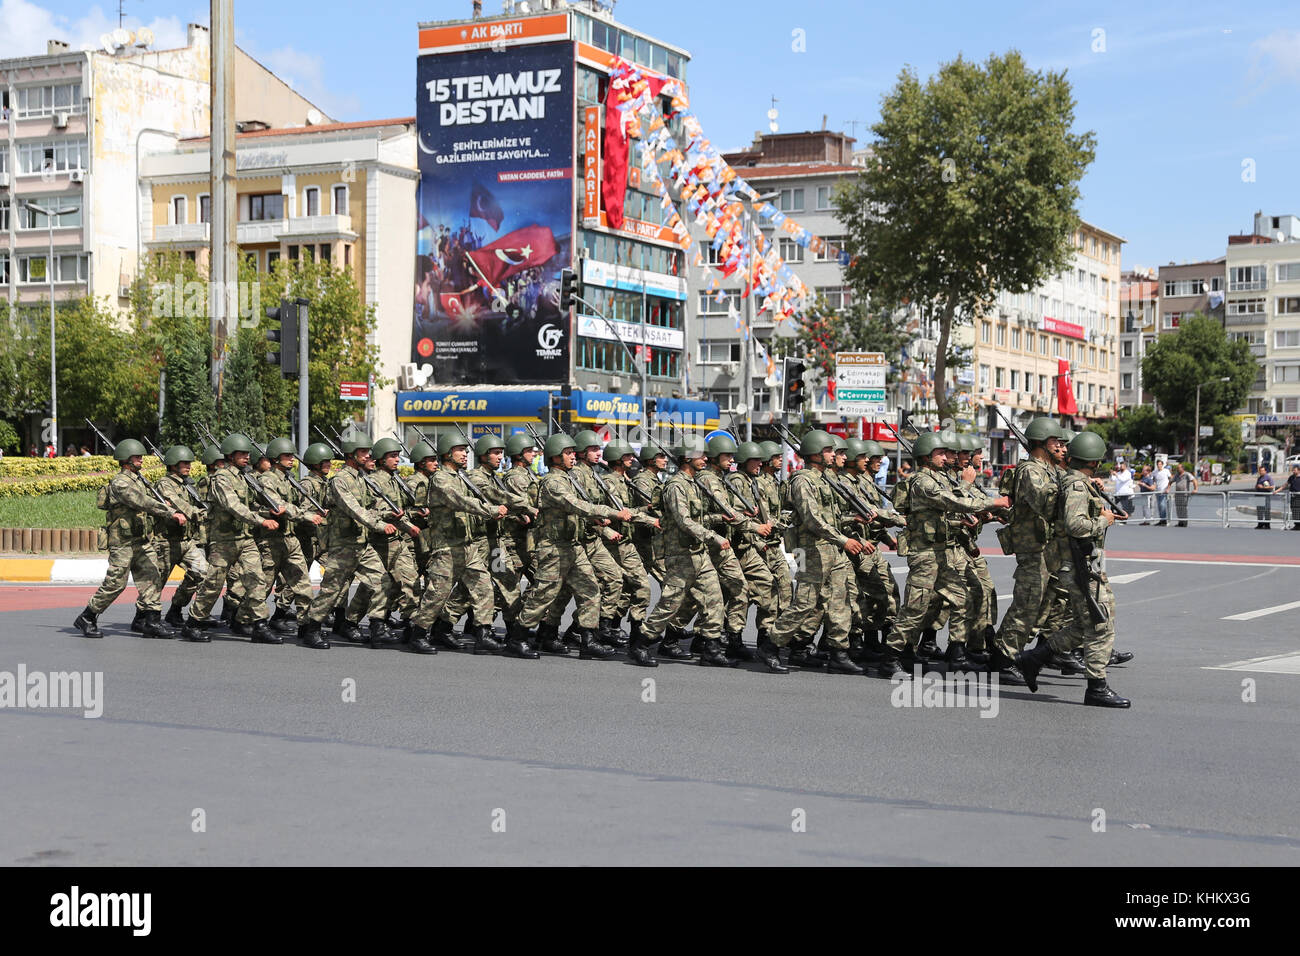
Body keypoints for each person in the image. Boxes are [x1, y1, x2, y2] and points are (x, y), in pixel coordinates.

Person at [1016, 431, 1130, 708]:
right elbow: (1076, 525)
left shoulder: (1075, 482)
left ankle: (1033, 659)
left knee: (1084, 624)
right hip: (1079, 564)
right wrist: (1104, 521)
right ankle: (1097, 687)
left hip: (1083, 562)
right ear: (1095, 460)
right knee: (1100, 623)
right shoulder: (1077, 486)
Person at [74, 439, 188, 639]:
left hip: (141, 540)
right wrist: (170, 512)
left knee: (153, 576)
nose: (141, 460)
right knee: (116, 584)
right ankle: (88, 616)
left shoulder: (138, 479)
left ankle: (151, 621)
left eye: (141, 456)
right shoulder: (120, 483)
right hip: (122, 543)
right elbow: (142, 501)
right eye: (137, 457)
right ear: (126, 459)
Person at [1172, 462, 1197, 527]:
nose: (1177, 469)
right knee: (1178, 508)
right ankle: (1180, 522)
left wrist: (1195, 489)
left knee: (1183, 508)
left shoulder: (1187, 474)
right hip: (1177, 494)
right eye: (1177, 468)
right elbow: (1171, 481)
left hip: (1184, 494)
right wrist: (1167, 489)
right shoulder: (1177, 475)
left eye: (1179, 468)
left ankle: (1184, 522)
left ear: (1182, 468)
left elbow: (1194, 480)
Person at [1276, 465, 1300, 529]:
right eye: (1293, 470)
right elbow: (1285, 485)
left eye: (1294, 470)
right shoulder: (1291, 477)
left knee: (1299, 511)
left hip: (1299, 497)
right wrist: (1277, 491)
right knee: (1294, 510)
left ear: (1299, 470)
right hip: (1293, 497)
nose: (1293, 471)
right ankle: (1297, 525)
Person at [1152, 459, 1171, 526]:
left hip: (1164, 490)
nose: (1159, 466)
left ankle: (1164, 520)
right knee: (1159, 506)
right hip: (1158, 491)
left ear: (1162, 465)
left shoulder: (1166, 471)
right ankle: (1161, 519)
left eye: (1160, 464)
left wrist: (1168, 488)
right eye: (1158, 464)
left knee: (1163, 505)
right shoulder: (1155, 472)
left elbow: (1170, 479)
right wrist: (1154, 485)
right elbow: (1154, 479)